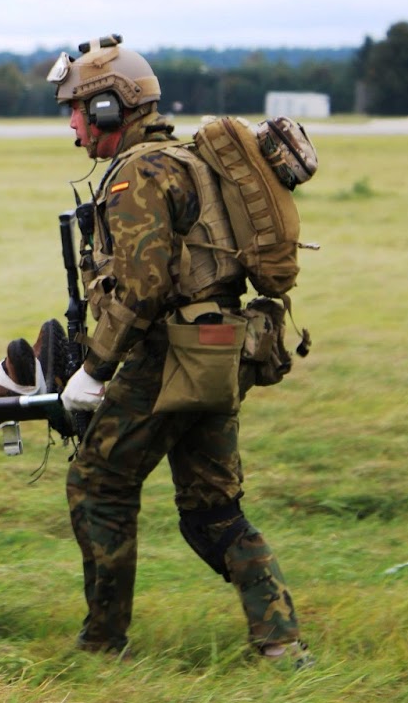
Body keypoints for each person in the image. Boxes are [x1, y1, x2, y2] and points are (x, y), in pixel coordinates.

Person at [48, 35, 310, 666]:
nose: (75, 129)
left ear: (111, 109)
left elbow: (142, 286)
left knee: (99, 483)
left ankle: (102, 643)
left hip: (169, 355)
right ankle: (280, 642)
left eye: (80, 112)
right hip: (219, 351)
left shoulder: (139, 174)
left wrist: (93, 370)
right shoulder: (188, 160)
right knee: (212, 507)